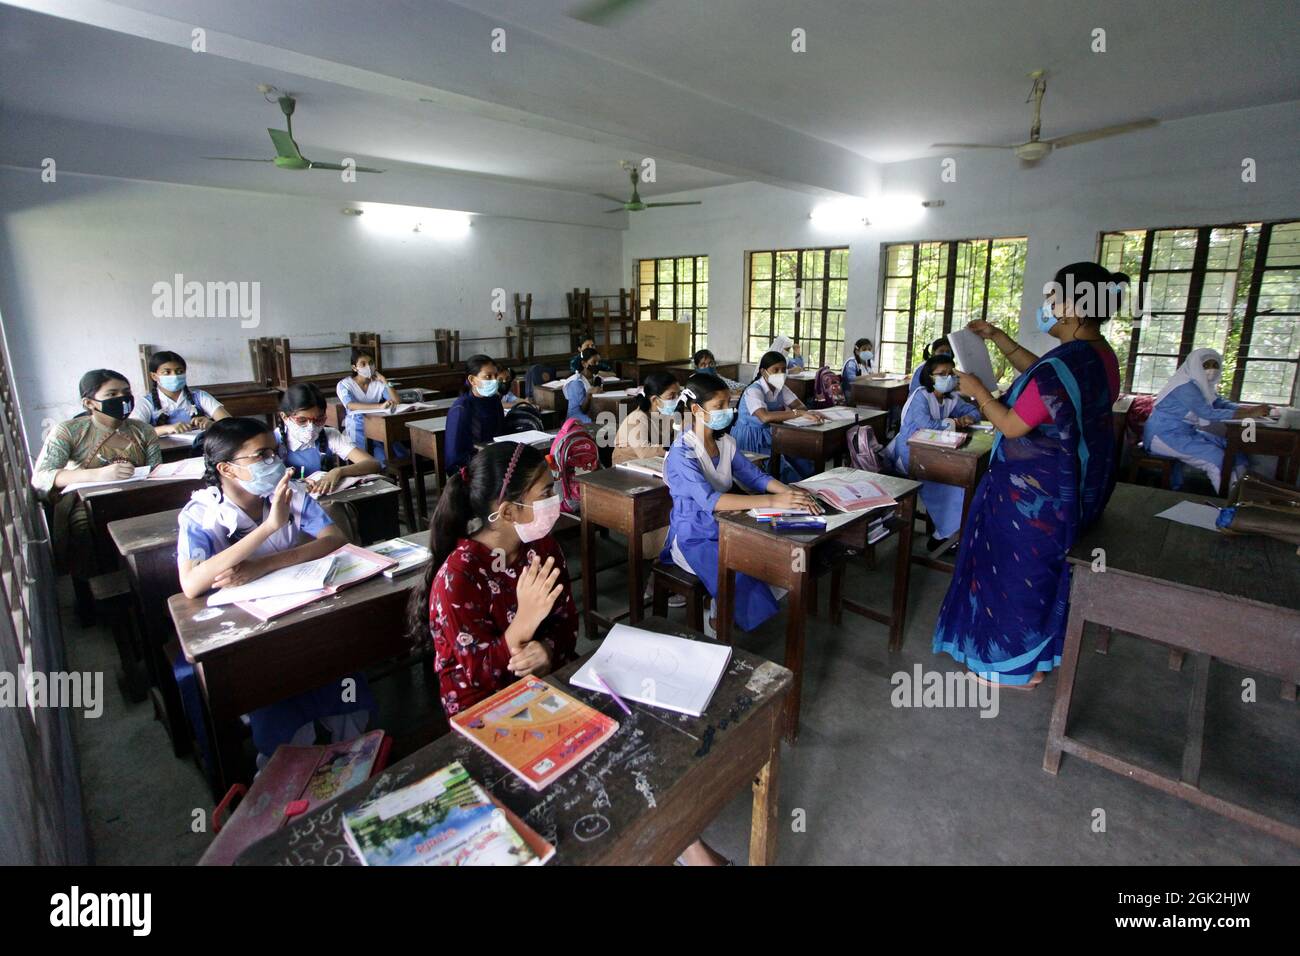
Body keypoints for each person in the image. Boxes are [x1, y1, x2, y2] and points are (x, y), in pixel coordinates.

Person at [419, 440, 728, 865]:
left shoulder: (542, 547)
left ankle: (690, 847)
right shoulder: (458, 576)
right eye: (544, 493)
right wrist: (522, 626)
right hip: (486, 714)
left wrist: (545, 650)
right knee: (594, 766)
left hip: (550, 683)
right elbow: (472, 677)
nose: (557, 499)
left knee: (637, 734)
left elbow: (567, 624)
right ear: (507, 511)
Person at [931, 261, 1125, 688]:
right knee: (1044, 575)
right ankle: (1035, 660)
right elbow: (1043, 378)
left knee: (1013, 574)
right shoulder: (1099, 355)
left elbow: (1016, 424)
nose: (1047, 307)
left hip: (1032, 493)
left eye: (1052, 299)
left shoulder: (1063, 367)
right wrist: (999, 340)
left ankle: (1008, 669)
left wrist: (979, 393)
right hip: (1073, 485)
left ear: (1073, 307)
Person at [176, 417, 372, 762]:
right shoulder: (202, 513)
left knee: (341, 675)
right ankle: (287, 766)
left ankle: (353, 757)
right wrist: (269, 527)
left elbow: (334, 539)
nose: (274, 462)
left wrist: (262, 566)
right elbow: (192, 584)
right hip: (245, 630)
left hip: (303, 608)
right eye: (261, 455)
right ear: (227, 468)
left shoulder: (288, 492)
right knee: (274, 692)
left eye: (275, 452)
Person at [662, 373, 822, 638]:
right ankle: (715, 620)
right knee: (738, 568)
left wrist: (792, 492)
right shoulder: (682, 451)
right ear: (695, 410)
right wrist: (775, 500)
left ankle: (719, 607)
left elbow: (755, 476)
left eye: (729, 403)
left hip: (726, 525)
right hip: (694, 537)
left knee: (774, 554)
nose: (728, 411)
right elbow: (711, 501)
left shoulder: (725, 443)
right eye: (719, 406)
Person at [33, 369, 162, 621]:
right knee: (84, 530)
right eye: (112, 394)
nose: (122, 399)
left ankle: (152, 588)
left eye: (126, 393)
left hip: (137, 496)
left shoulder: (143, 431)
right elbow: (41, 478)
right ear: (89, 403)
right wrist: (96, 475)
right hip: (87, 502)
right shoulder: (69, 431)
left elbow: (155, 472)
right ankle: (98, 599)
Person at [884, 355, 981, 552]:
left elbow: (975, 411)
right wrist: (955, 422)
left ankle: (950, 532)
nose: (947, 378)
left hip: (935, 452)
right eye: (942, 374)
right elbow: (925, 427)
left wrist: (968, 417)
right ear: (930, 377)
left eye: (950, 374)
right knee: (946, 483)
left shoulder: (951, 398)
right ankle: (945, 534)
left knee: (961, 482)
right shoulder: (921, 396)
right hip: (909, 454)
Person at [1142, 348, 1270, 491]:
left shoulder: (1201, 384)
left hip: (1185, 433)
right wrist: (1248, 414)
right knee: (1217, 458)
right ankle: (1231, 503)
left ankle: (1243, 492)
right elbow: (1207, 413)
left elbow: (1219, 403)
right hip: (1163, 435)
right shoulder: (1185, 387)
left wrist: (1247, 409)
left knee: (1231, 448)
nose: (1211, 370)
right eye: (1206, 365)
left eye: (1215, 365)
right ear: (1195, 365)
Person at [275, 383, 381, 542]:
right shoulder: (273, 443)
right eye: (302, 420)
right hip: (291, 514)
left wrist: (338, 471)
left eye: (318, 420)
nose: (310, 427)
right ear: (285, 417)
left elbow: (372, 464)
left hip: (326, 510)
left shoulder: (329, 435)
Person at [733, 350, 821, 483]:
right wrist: (796, 413)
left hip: (772, 433)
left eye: (783, 370)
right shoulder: (754, 390)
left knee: (802, 459)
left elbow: (801, 407)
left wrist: (797, 412)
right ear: (763, 371)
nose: (780, 374)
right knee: (782, 470)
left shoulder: (781, 388)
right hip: (751, 437)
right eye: (775, 370)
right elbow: (765, 417)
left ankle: (811, 487)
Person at [133, 350, 231, 436]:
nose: (174, 376)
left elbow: (230, 423)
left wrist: (212, 425)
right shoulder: (146, 403)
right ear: (154, 376)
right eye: (167, 372)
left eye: (179, 371)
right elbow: (134, 432)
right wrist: (166, 429)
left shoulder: (200, 396)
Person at [336, 346, 400, 464]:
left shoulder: (378, 384)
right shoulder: (345, 384)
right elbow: (350, 405)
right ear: (354, 367)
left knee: (391, 457)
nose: (368, 367)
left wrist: (385, 381)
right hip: (358, 428)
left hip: (378, 426)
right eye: (363, 364)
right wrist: (379, 406)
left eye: (370, 363)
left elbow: (396, 401)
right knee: (365, 461)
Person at [444, 355, 508, 474]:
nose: (494, 381)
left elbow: (500, 434)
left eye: (495, 376)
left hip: (496, 462)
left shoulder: (495, 401)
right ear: (472, 380)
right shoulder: (461, 409)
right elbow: (453, 459)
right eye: (488, 377)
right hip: (475, 470)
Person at [563, 347, 604, 423]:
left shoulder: (597, 379)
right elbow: (583, 410)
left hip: (592, 412)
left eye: (598, 362)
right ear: (584, 364)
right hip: (576, 418)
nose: (597, 365)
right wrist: (589, 394)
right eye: (594, 362)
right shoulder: (576, 382)